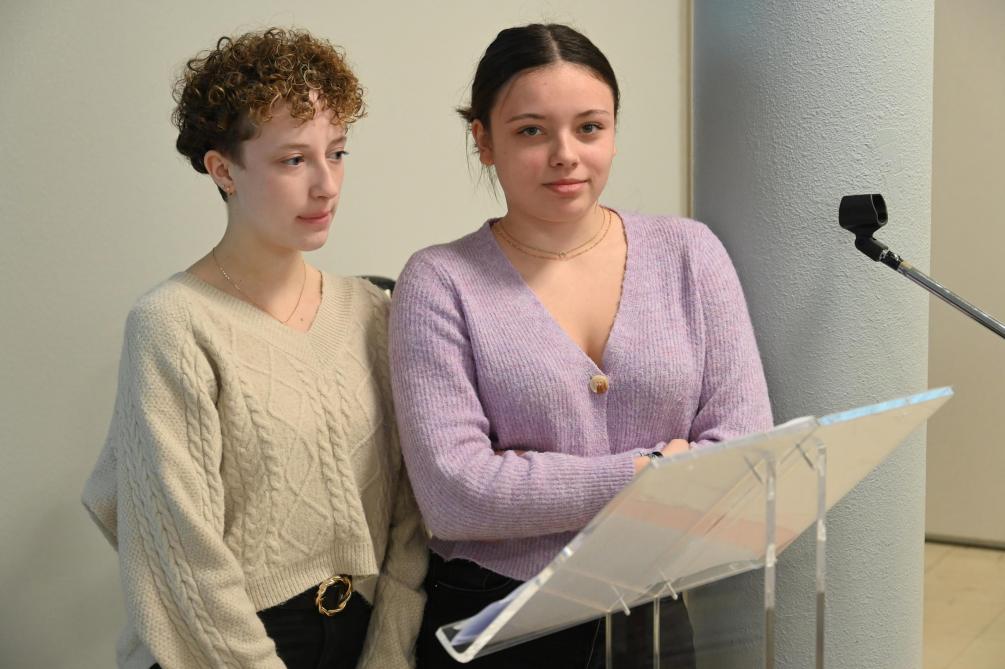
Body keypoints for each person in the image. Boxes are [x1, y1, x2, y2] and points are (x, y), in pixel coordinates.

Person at [388, 23, 773, 669]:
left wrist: (543, 479)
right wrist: (645, 474)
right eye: (531, 130)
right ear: (482, 139)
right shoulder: (438, 280)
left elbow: (742, 451)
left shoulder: (689, 253)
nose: (565, 154)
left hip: (652, 607)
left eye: (589, 127)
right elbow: (455, 492)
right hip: (495, 618)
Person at [82, 28, 425, 669]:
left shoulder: (372, 312)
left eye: (339, 152)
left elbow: (411, 517)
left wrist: (389, 653)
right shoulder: (173, 325)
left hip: (362, 638)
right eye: (294, 160)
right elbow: (183, 563)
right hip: (223, 647)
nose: (326, 185)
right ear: (223, 169)